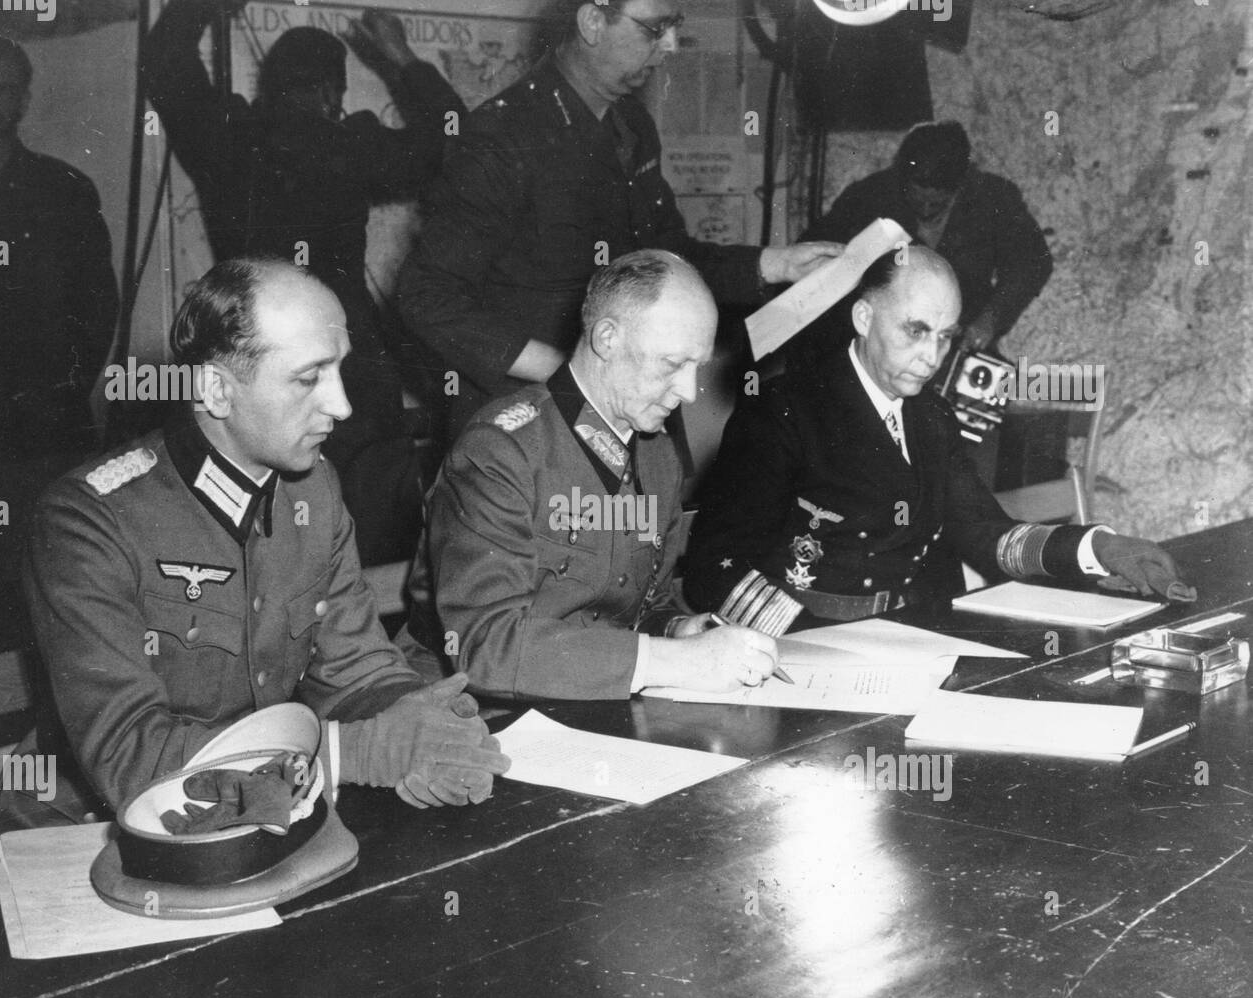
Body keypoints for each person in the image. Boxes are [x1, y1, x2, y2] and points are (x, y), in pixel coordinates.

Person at [0, 258, 508, 835]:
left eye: (339, 370)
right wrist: (355, 753)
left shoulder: (312, 488)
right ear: (216, 389)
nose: (342, 406)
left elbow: (356, 668)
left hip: (265, 817)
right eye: (309, 377)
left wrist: (423, 718)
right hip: (88, 834)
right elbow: (129, 754)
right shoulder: (89, 520)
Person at [397, 0, 839, 443]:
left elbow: (667, 262)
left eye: (674, 26)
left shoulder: (631, 125)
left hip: (635, 411)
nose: (669, 45)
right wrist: (569, 373)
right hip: (532, 428)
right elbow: (427, 295)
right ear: (592, 21)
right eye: (654, 28)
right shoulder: (502, 135)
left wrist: (777, 265)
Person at [682, 247, 1193, 628]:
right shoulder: (783, 411)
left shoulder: (931, 416)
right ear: (863, 317)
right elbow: (715, 567)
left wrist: (1096, 547)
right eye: (916, 330)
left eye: (945, 336)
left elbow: (985, 532)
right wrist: (803, 642)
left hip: (921, 633)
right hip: (811, 645)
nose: (933, 356)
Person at [141, 0, 465, 564]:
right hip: (351, 371)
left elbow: (165, 59)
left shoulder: (228, 138)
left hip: (253, 361)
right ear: (331, 92)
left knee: (265, 537)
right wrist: (401, 59)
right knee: (367, 535)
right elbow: (454, 139)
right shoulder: (351, 144)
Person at [398, 250, 780, 700]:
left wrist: (679, 630)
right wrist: (676, 661)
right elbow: (486, 647)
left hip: (596, 698)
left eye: (696, 367)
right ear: (607, 338)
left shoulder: (657, 457)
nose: (687, 393)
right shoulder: (502, 451)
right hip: (466, 704)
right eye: (673, 364)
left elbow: (639, 611)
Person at [0, 32, 119, 658]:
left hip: (41, 441)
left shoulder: (62, 192)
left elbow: (96, 310)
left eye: (5, 92)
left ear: (22, 101)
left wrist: (62, 396)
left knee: (48, 596)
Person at [800, 120, 1059, 488]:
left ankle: (967, 521)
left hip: (961, 351)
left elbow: (1032, 261)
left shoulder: (991, 198)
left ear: (961, 182)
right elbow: (813, 257)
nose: (924, 202)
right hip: (883, 350)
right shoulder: (870, 197)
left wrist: (990, 320)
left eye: (939, 195)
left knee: (976, 458)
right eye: (915, 189)